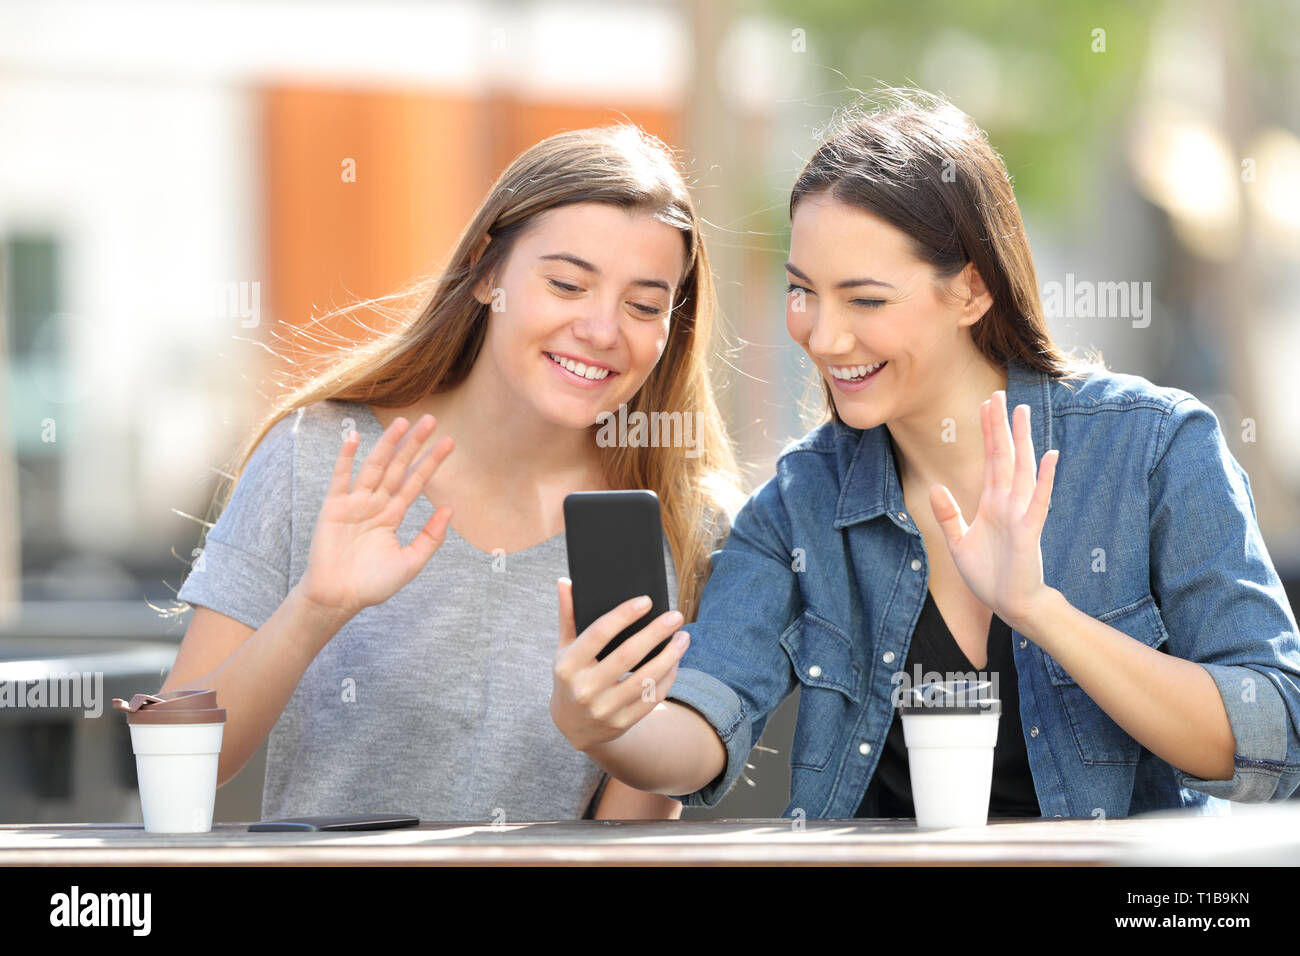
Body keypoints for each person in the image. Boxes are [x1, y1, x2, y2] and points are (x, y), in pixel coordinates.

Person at [550, 89, 1300, 820]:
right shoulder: (802, 500)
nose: (824, 335)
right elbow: (705, 723)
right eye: (802, 290)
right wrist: (612, 729)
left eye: (866, 300)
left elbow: (1274, 731)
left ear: (973, 290)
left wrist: (1042, 613)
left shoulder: (1151, 447)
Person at [166, 124, 744, 822]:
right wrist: (315, 610)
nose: (601, 329)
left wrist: (610, 725)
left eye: (644, 305)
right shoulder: (317, 453)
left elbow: (628, 837)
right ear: (485, 272)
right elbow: (175, 762)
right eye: (566, 283)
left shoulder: (684, 523)